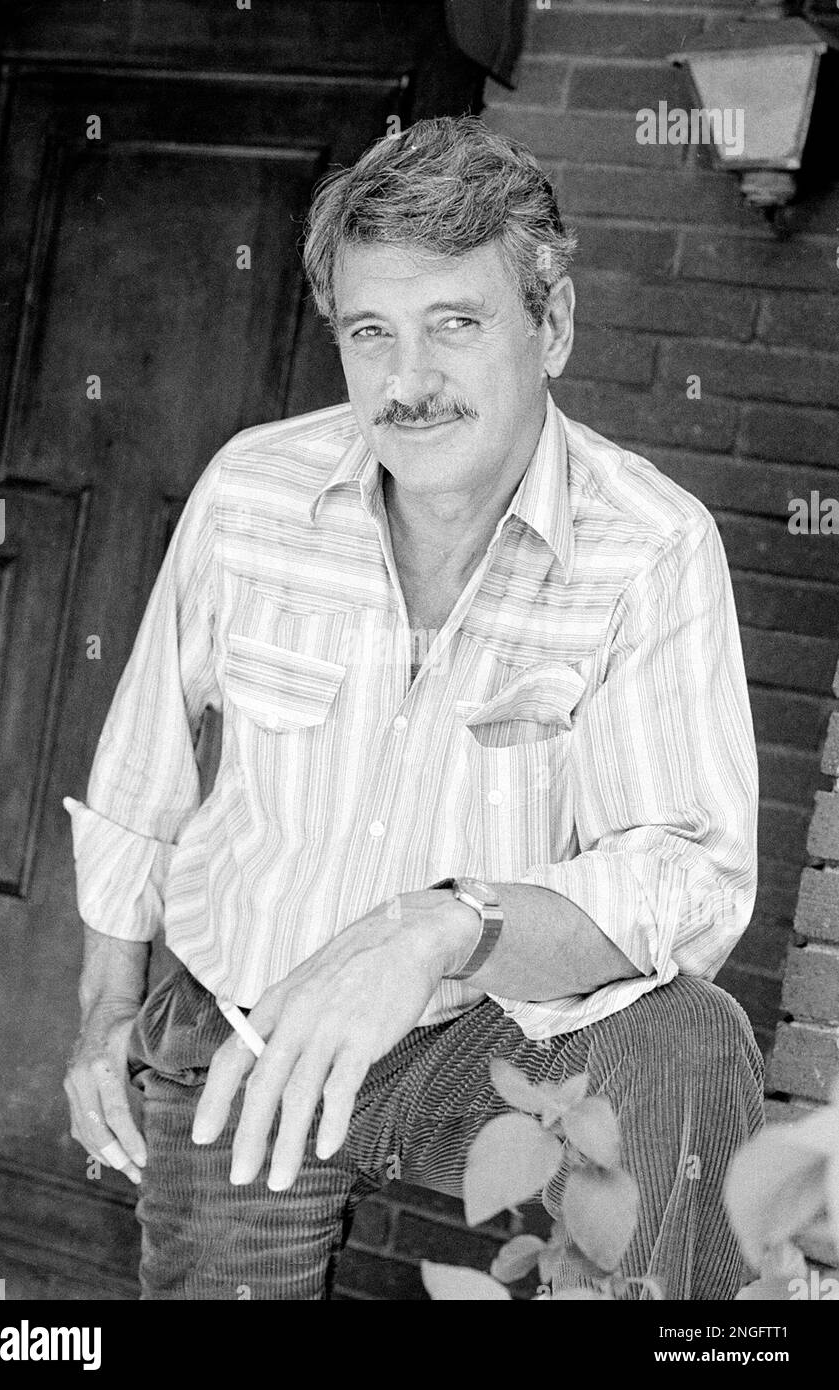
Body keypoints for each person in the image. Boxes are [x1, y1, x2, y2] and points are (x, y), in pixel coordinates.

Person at [63, 115, 764, 1301]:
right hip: (254, 1024)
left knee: (687, 1037)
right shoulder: (250, 494)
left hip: (500, 1046)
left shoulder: (649, 547)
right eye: (371, 333)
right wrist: (102, 1014)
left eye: (455, 325)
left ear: (551, 327)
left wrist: (444, 924)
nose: (409, 382)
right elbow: (145, 773)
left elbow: (688, 876)